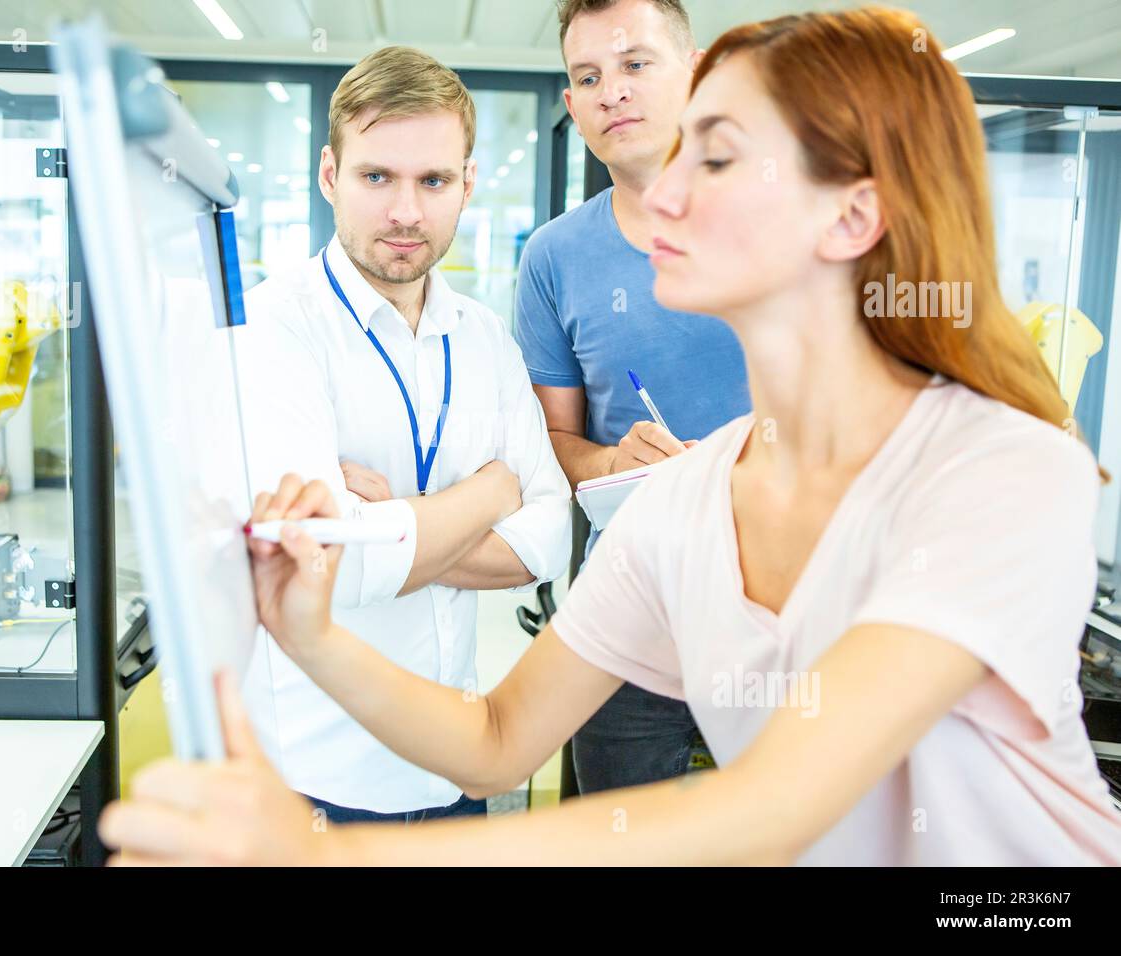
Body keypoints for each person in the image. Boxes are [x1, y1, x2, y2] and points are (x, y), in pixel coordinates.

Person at [102, 8, 1121, 864]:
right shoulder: (682, 497)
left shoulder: (1001, 469)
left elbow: (775, 801)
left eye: (715, 156)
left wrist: (321, 854)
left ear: (851, 218)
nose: (662, 187)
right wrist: (311, 629)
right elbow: (498, 738)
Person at [231, 46, 571, 822]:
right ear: (329, 175)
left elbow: (548, 542)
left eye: (433, 181)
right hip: (319, 783)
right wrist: (489, 492)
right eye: (376, 176)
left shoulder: (485, 341)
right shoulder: (272, 328)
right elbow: (329, 567)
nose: (407, 213)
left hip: (455, 769)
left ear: (468, 184)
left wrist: (391, 526)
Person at [515, 0, 751, 794]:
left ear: (697, 70)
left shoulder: (788, 219)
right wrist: (612, 460)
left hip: (783, 618)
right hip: (626, 622)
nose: (612, 91)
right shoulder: (553, 258)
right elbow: (555, 442)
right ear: (573, 106)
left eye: (636, 63)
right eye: (588, 77)